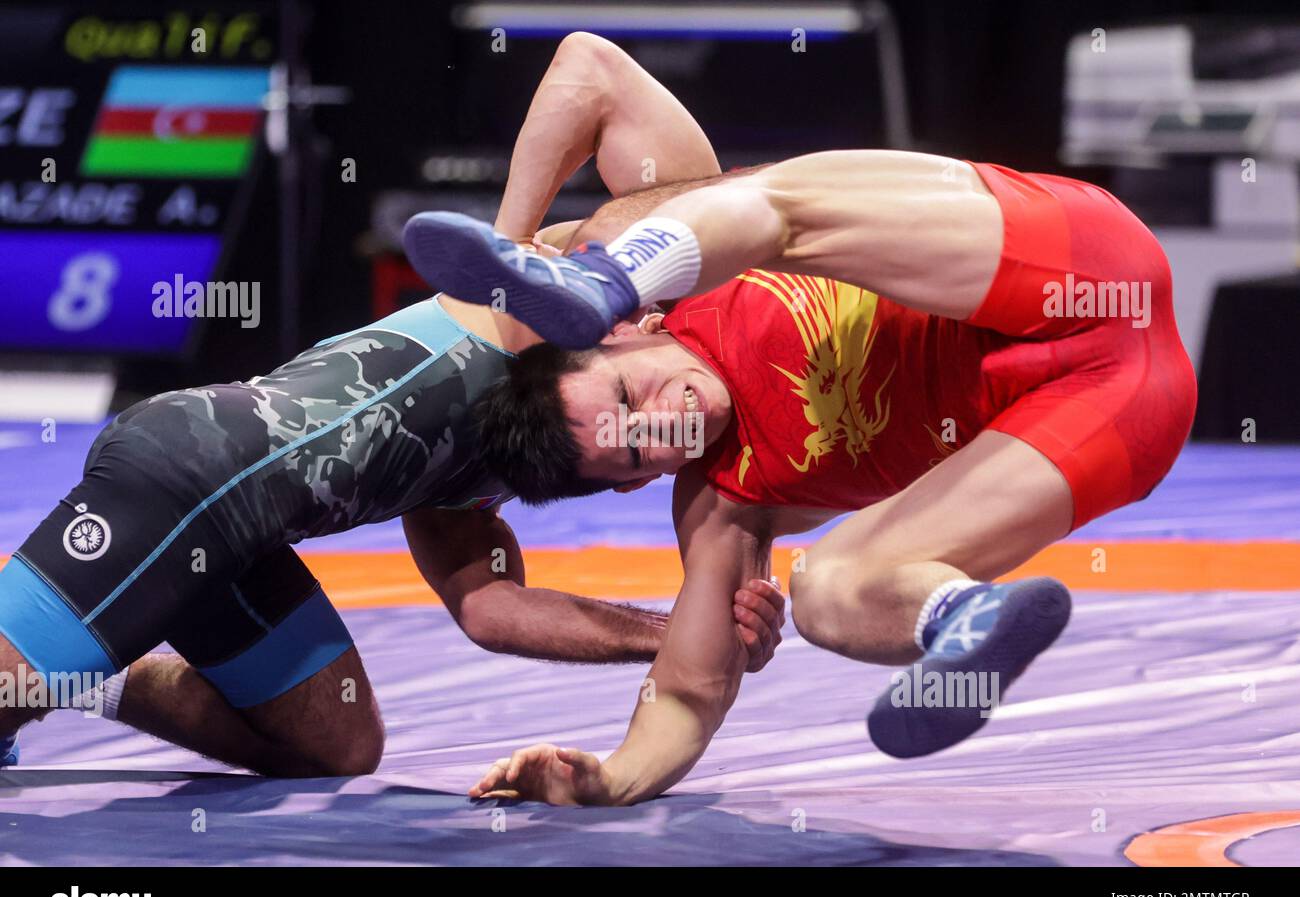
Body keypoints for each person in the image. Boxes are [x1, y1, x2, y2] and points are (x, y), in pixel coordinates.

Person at [404, 52, 1198, 806]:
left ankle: (597, 282)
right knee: (823, 591)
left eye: (631, 396)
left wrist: (510, 241)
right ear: (639, 481)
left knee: (763, 202)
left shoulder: (685, 239)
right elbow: (688, 694)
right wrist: (604, 781)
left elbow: (589, 66)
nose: (667, 424)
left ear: (626, 332)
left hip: (1077, 267)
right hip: (1126, 411)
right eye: (639, 448)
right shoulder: (725, 504)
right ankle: (964, 617)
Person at [0, 33, 786, 774]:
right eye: (628, 398)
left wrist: (680, 636)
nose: (658, 420)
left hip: (239, 544)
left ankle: (93, 663)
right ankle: (52, 649)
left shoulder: (506, 468)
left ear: (628, 481)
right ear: (624, 328)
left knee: (336, 744)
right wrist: (505, 257)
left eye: (637, 448)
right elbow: (590, 67)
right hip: (189, 469)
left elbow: (492, 610)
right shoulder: (564, 306)